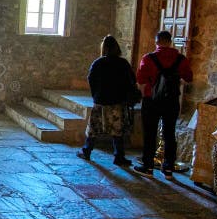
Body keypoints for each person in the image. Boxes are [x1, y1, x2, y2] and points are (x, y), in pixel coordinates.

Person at [133, 30, 193, 178]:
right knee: (170, 134)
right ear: (170, 42)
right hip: (171, 101)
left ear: (156, 42)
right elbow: (188, 78)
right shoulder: (181, 59)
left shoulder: (148, 58)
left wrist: (146, 92)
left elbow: (140, 80)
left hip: (151, 100)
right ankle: (168, 169)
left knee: (150, 134)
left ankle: (148, 167)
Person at [76, 35, 137, 167]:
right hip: (117, 102)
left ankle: (86, 151)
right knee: (117, 130)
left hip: (101, 100)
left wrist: (96, 95)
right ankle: (119, 156)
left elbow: (91, 79)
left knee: (93, 128)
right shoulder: (123, 63)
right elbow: (131, 81)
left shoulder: (98, 63)